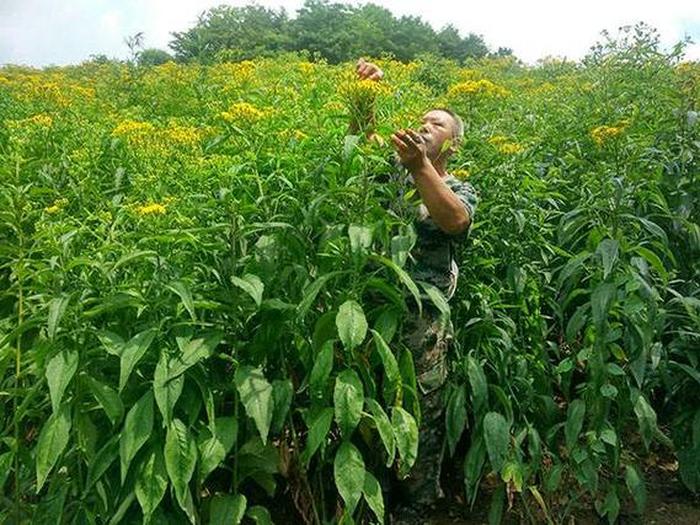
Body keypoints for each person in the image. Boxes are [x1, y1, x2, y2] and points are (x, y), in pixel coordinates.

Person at [354, 58, 479, 523]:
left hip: (421, 319)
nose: (426, 126)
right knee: (371, 402)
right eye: (423, 120)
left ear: (454, 143)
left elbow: (455, 220)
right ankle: (370, 501)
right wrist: (365, 94)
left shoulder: (456, 185)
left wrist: (420, 167)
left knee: (419, 412)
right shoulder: (394, 173)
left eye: (438, 124)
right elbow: (360, 149)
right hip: (373, 309)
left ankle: (417, 505)